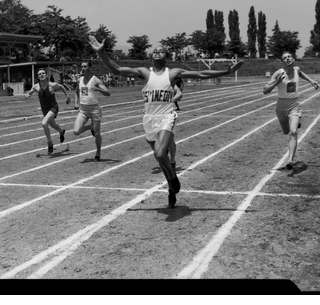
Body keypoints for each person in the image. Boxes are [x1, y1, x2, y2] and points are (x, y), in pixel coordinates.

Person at [90, 37, 243, 208]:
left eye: (161, 50)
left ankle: (172, 177)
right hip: (148, 119)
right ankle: (171, 188)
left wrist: (227, 72)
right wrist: (101, 52)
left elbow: (201, 74)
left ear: (166, 56)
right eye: (155, 50)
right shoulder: (145, 72)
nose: (157, 51)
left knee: (160, 154)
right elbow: (117, 69)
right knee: (161, 161)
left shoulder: (172, 73)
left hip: (166, 117)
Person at [263, 51, 319, 170]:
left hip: (294, 104)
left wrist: (311, 81)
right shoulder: (279, 73)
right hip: (281, 106)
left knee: (293, 132)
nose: (288, 59)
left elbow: (301, 73)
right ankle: (295, 122)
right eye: (285, 58)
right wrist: (276, 83)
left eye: (289, 56)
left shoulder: (296, 69)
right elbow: (265, 90)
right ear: (282, 62)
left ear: (292, 58)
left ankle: (290, 160)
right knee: (286, 131)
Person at [24, 68, 71, 154]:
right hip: (45, 110)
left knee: (44, 123)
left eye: (43, 73)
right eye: (39, 74)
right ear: (38, 77)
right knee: (52, 124)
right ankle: (61, 131)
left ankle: (50, 143)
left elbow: (61, 87)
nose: (41, 75)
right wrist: (27, 95)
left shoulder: (52, 85)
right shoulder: (36, 86)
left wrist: (67, 96)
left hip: (53, 107)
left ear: (46, 75)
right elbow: (30, 92)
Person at [73, 61, 111, 161]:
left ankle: (98, 152)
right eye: (82, 67)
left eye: (85, 66)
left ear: (90, 68)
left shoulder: (96, 80)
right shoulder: (79, 80)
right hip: (83, 110)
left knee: (97, 134)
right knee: (76, 131)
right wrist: (76, 102)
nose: (83, 68)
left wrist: (98, 89)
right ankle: (91, 127)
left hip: (94, 110)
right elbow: (76, 92)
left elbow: (108, 93)